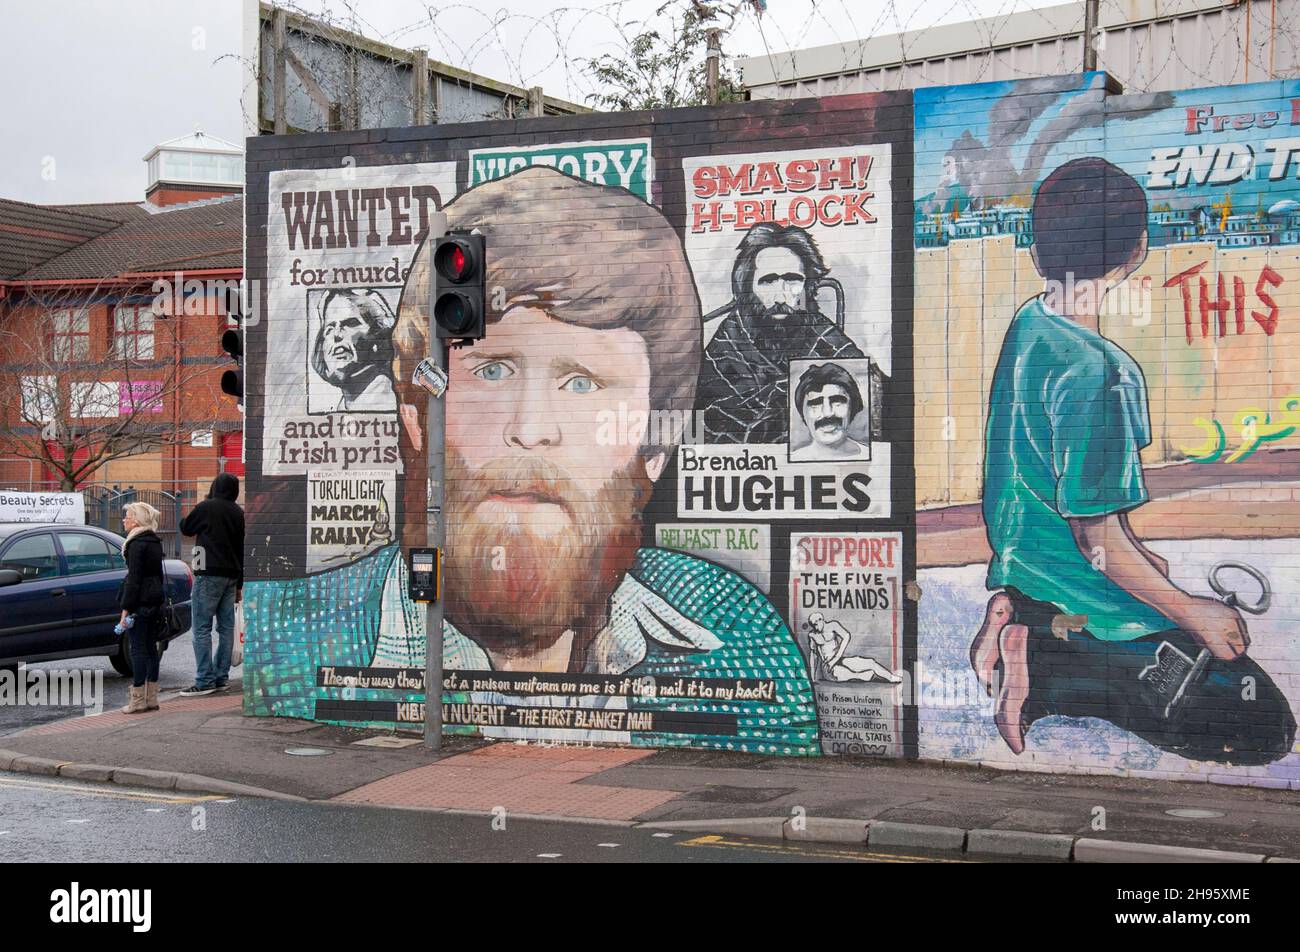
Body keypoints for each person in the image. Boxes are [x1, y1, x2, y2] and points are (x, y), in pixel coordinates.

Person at [248, 167, 820, 755]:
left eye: (582, 383)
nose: (529, 429)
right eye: (492, 372)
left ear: (654, 447)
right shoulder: (291, 631)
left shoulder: (737, 633)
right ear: (416, 417)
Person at [974, 156, 1296, 765]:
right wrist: (1191, 611)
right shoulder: (1101, 373)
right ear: (1137, 251)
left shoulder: (1031, 323)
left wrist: (1143, 564)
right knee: (1262, 726)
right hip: (1084, 596)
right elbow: (1096, 533)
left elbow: (1046, 480)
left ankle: (1026, 623)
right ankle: (1044, 662)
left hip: (1028, 563)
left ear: (1039, 253)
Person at [694, 222, 883, 445]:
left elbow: (865, 385)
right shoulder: (726, 348)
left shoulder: (821, 333)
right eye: (768, 281)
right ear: (747, 288)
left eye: (793, 280)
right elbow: (706, 423)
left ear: (808, 287)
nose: (781, 297)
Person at [179, 472, 245, 697]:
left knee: (201, 627)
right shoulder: (238, 513)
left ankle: (205, 679)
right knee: (226, 628)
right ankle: (220, 677)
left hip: (208, 574)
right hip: (231, 575)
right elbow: (241, 548)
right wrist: (239, 584)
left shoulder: (207, 507)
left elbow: (186, 527)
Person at [310, 288, 398, 412]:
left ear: (378, 336)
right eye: (329, 329)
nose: (336, 335)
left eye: (350, 323)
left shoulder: (388, 402)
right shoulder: (345, 407)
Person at [118, 502, 165, 713]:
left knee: (137, 649)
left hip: (140, 601)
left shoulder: (136, 544)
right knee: (150, 648)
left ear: (136, 520)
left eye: (127, 516)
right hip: (155, 599)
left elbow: (134, 580)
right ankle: (151, 698)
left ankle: (137, 700)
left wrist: (125, 610)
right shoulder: (154, 541)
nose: (124, 519)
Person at [791, 362, 870, 460]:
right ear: (803, 413)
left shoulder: (872, 457)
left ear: (852, 407)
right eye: (815, 403)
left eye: (837, 401)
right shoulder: (794, 459)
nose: (828, 413)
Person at [805, 612, 900, 683]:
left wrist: (837, 657)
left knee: (869, 662)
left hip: (840, 659)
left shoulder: (833, 625)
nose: (815, 627)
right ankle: (863, 676)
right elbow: (814, 656)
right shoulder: (813, 635)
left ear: (821, 620)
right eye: (813, 625)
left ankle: (891, 677)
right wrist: (812, 677)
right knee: (842, 673)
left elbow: (846, 636)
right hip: (828, 666)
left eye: (815, 624)